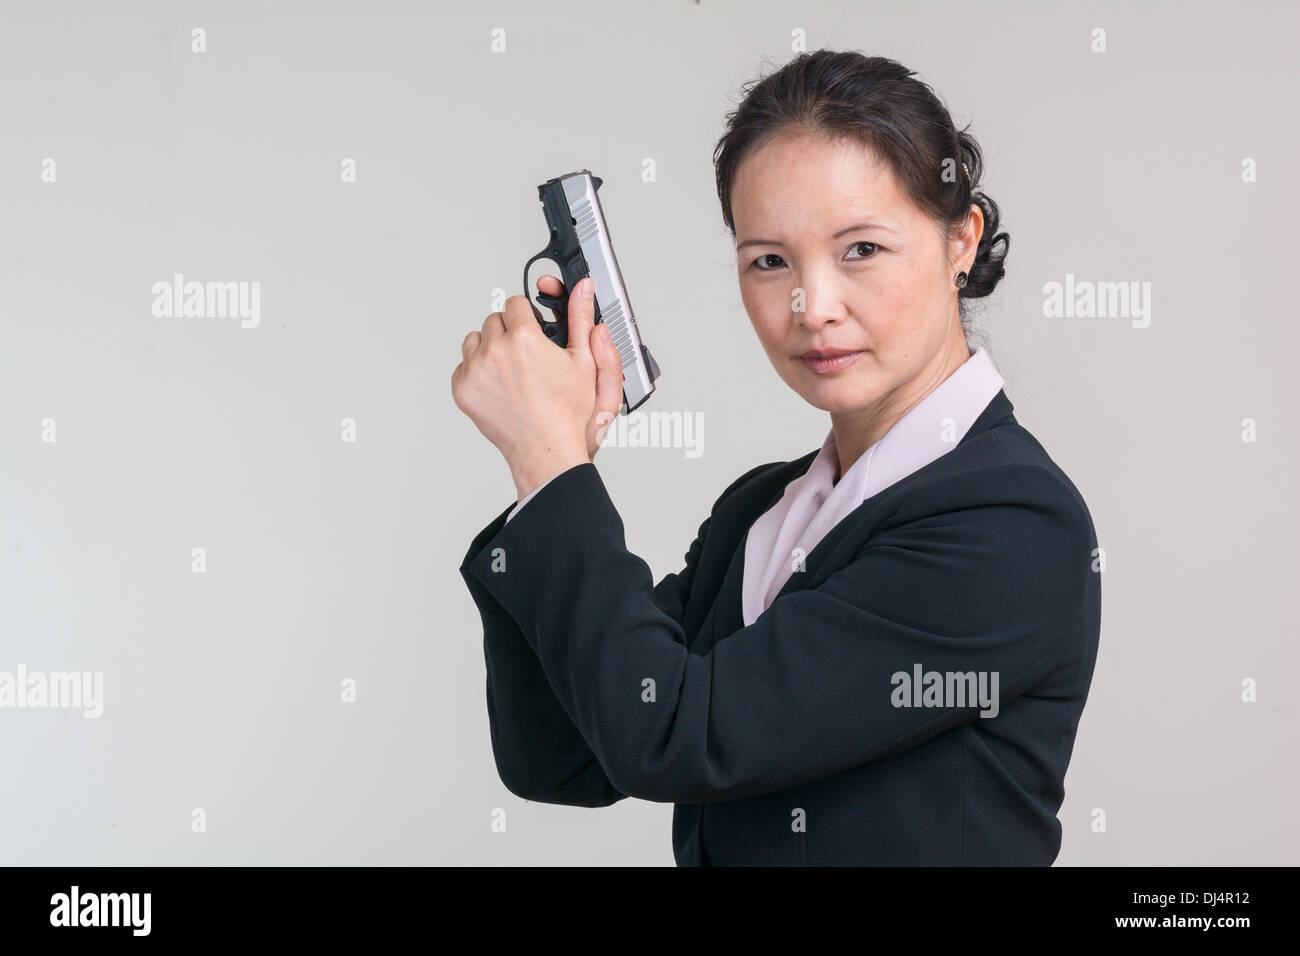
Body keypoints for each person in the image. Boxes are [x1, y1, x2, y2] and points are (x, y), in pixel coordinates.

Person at [451, 49, 1101, 865]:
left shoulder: (1012, 522)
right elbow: (566, 757)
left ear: (960, 241)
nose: (811, 306)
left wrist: (554, 473)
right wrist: (547, 470)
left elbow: (675, 735)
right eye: (770, 260)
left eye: (861, 249)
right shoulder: (761, 508)